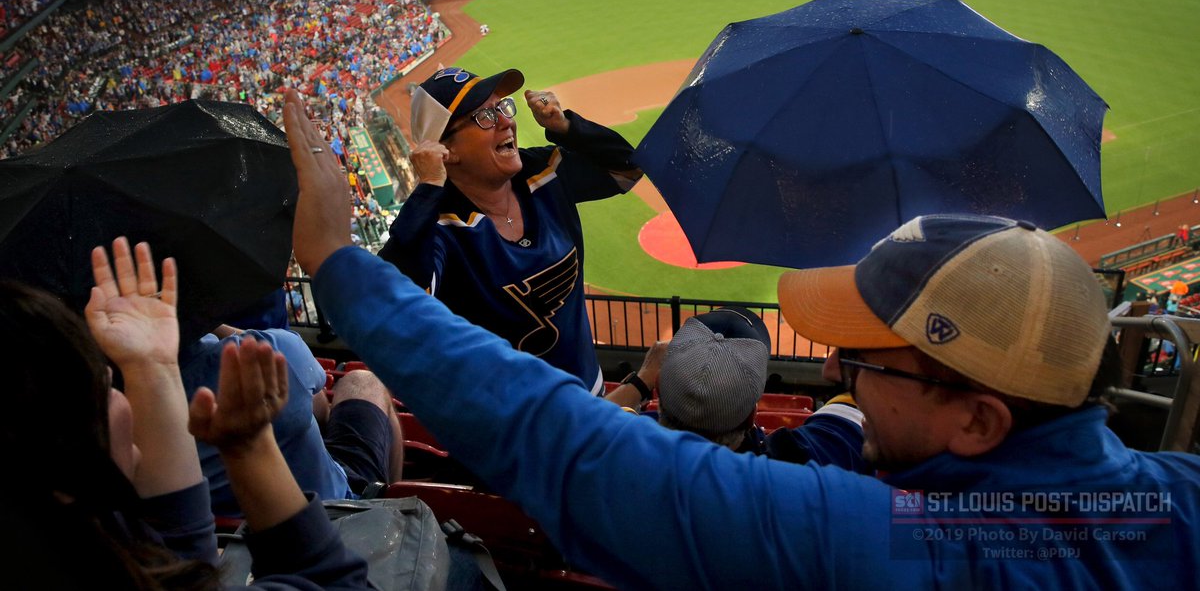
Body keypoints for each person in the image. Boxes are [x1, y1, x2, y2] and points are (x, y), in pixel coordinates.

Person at [284, 90, 1200, 589]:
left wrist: (333, 258)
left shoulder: (863, 543)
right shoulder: (1179, 498)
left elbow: (554, 435)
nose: (839, 367)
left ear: (978, 420)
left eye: (866, 360)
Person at [1, 236, 370, 588]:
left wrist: (152, 366)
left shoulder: (94, 546)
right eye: (103, 385)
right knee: (364, 384)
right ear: (58, 469)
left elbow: (184, 548)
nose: (123, 395)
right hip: (348, 501)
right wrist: (250, 448)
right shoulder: (274, 350)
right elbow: (333, 581)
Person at [379, 67, 642, 393]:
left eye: (502, 107)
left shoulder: (542, 173)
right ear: (447, 151)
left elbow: (627, 169)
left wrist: (566, 127)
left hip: (588, 393)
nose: (506, 121)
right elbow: (392, 302)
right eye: (484, 116)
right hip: (512, 425)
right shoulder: (441, 228)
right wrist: (428, 189)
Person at [180, 321, 403, 518]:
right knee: (363, 381)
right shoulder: (275, 349)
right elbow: (319, 404)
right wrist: (214, 324)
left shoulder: (152, 413)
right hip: (337, 510)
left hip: (229, 537)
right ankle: (386, 494)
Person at [605, 307, 866, 468]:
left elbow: (579, 425)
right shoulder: (792, 464)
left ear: (658, 389)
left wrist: (642, 380)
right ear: (752, 415)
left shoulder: (623, 443)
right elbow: (857, 419)